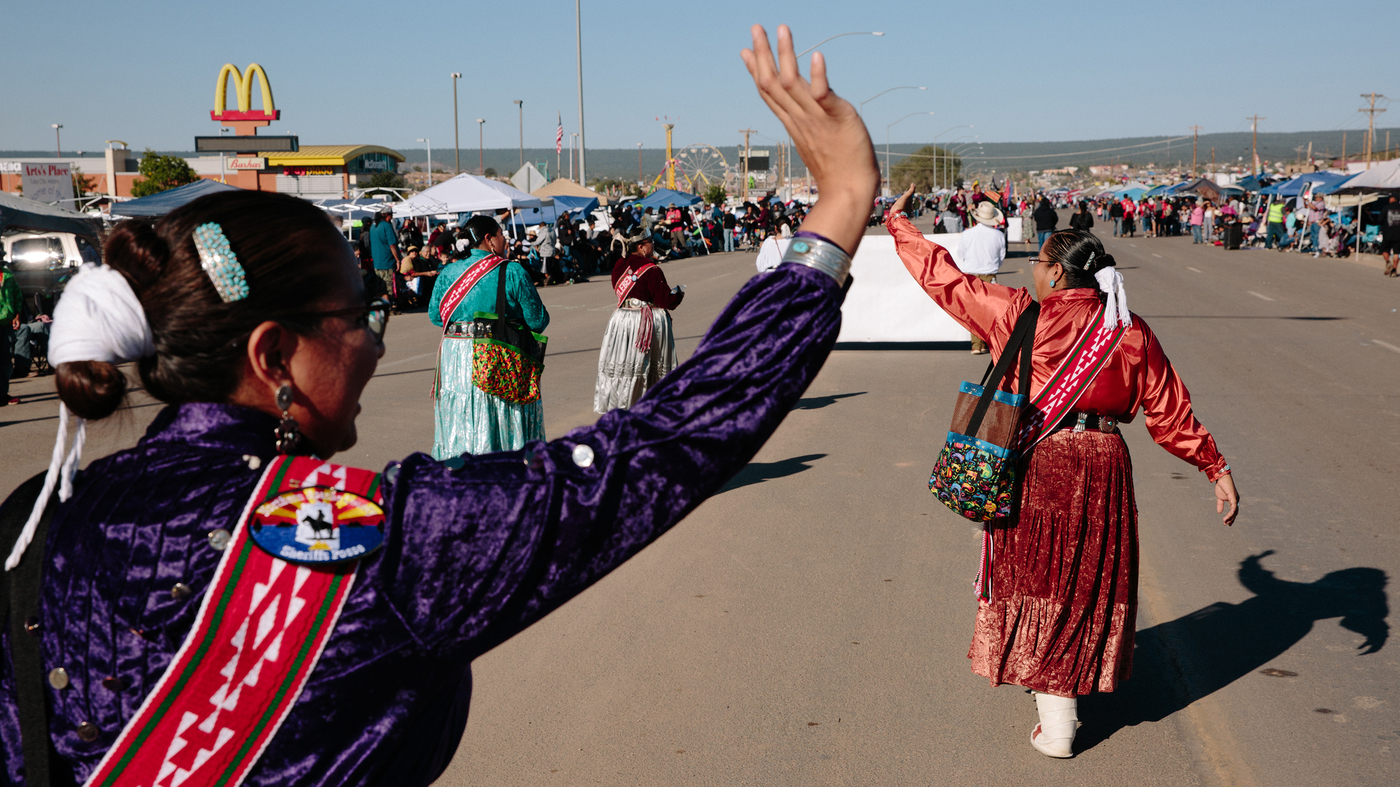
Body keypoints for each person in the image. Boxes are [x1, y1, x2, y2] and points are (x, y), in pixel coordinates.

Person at [0, 25, 879, 785]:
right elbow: (653, 448)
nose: (377, 342)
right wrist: (838, 210)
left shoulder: (37, 523)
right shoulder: (358, 541)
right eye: (358, 315)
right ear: (272, 356)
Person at [886, 188, 1240, 759]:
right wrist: (1212, 465)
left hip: (1040, 460)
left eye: (1038, 260)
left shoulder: (1017, 314)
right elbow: (1168, 407)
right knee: (1085, 580)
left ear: (1055, 272)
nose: (1031, 268)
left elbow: (946, 280)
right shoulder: (1128, 329)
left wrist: (900, 225)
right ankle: (1064, 692)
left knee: (1040, 575)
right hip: (1104, 461)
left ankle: (1058, 722)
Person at [428, 216, 551, 458]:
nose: (505, 239)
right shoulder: (512, 271)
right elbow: (538, 321)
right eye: (501, 234)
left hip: (455, 358)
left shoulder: (448, 271)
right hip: (496, 353)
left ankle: (458, 469)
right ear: (489, 239)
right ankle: (504, 466)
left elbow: (435, 316)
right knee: (498, 414)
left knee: (460, 418)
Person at [594, 233, 687, 412]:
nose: (653, 245)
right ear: (640, 246)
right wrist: (679, 294)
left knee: (623, 363)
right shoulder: (651, 269)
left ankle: (620, 404)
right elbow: (665, 300)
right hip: (641, 322)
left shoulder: (619, 265)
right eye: (650, 242)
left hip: (621, 320)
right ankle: (647, 403)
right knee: (644, 364)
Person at [955, 201, 1007, 356]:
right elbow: (1001, 257)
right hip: (990, 275)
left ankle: (976, 344)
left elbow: (960, 253)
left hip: (971, 275)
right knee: (989, 311)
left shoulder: (968, 234)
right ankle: (984, 342)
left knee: (973, 310)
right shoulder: (999, 235)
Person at [370, 210, 401, 302]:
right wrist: (398, 260)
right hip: (387, 262)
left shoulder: (373, 226)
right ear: (387, 215)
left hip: (377, 262)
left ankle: (380, 306)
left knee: (379, 288)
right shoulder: (387, 226)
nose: (391, 218)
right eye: (391, 215)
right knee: (388, 289)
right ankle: (389, 306)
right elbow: (392, 245)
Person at [0, 256, 19, 405]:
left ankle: (2, 394)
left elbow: (17, 296)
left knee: (5, 360)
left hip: (5, 323)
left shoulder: (7, 275)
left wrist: (16, 315)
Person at [1377, 194, 1400, 276]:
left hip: (1387, 233)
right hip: (1398, 234)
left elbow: (1379, 219)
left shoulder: (1386, 208)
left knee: (1384, 249)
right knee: (1397, 252)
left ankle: (1388, 262)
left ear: (1393, 198)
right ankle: (1394, 269)